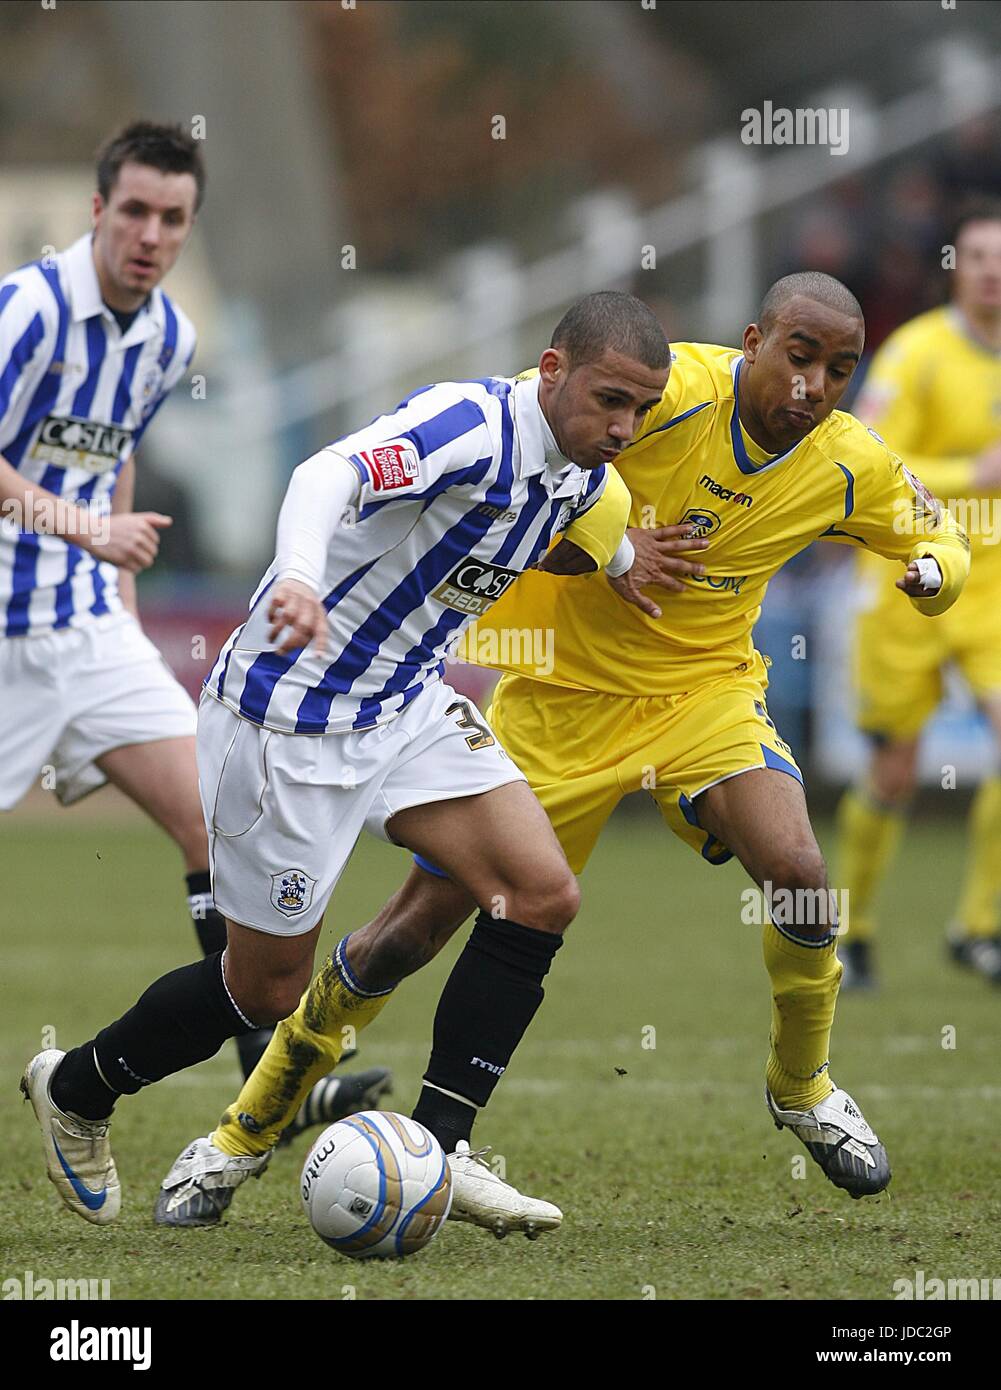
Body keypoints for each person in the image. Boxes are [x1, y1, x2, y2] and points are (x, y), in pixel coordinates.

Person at [155, 272, 970, 1236]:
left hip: (703, 696)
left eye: (839, 369)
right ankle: (240, 1134)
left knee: (796, 871)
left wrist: (931, 573)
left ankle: (803, 1085)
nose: (814, 386)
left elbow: (942, 536)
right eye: (799, 357)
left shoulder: (847, 462)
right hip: (556, 700)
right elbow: (534, 433)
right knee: (404, 937)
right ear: (755, 342)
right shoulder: (665, 392)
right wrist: (617, 543)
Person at [23, 289, 684, 1231]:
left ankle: (441, 1151)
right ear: (550, 371)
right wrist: (296, 575)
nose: (623, 426)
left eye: (640, 410)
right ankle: (82, 1086)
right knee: (264, 988)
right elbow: (324, 474)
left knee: (540, 892)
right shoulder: (465, 425)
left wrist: (623, 561)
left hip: (407, 708)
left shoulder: (583, 478)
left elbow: (553, 535)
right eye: (609, 400)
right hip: (284, 721)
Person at [2, 119, 389, 1144]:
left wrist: (119, 610)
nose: (150, 233)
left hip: (87, 630)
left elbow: (115, 451)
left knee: (210, 831)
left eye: (172, 218)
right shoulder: (30, 310)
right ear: (97, 211)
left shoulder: (167, 335)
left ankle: (268, 1083)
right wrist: (86, 526)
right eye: (132, 210)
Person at [836, 202, 1001, 989]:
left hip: (994, 589)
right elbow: (874, 457)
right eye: (976, 256)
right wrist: (971, 475)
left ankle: (976, 928)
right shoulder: (914, 354)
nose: (991, 271)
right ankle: (853, 928)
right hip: (913, 575)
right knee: (894, 772)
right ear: (954, 266)